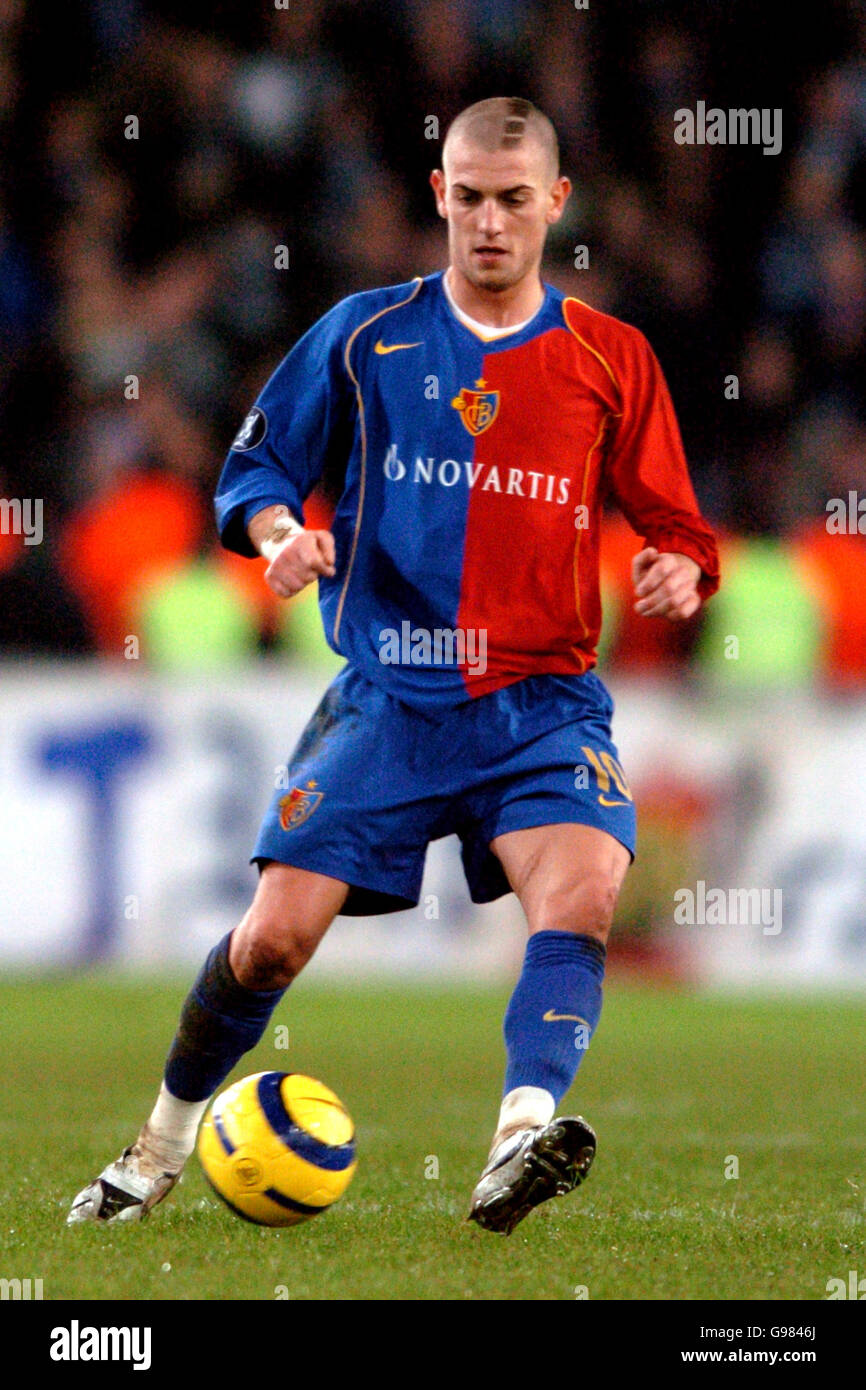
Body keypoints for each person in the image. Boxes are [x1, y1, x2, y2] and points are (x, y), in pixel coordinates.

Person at [68, 97, 719, 1235]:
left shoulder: (611, 358)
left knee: (582, 893)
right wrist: (280, 540)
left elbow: (678, 524)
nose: (487, 221)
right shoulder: (367, 335)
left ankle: (518, 1137)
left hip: (540, 703)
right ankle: (155, 1147)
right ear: (438, 195)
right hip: (388, 692)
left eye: (513, 199)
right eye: (466, 196)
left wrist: (680, 570)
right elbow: (257, 468)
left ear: (554, 204)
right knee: (271, 938)